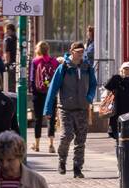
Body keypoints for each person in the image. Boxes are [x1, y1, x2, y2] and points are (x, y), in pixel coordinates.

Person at [42, 42, 97, 178]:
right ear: (72, 51)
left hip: (82, 108)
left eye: (82, 51)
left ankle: (77, 168)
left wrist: (89, 97)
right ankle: (62, 160)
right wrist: (48, 109)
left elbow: (93, 84)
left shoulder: (87, 67)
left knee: (81, 139)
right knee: (67, 135)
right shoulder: (64, 67)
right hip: (66, 108)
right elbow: (53, 88)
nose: (80, 54)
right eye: (78, 51)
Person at [102, 62, 129, 140]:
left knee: (126, 138)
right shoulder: (116, 80)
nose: (126, 71)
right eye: (125, 69)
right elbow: (107, 87)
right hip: (115, 114)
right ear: (121, 70)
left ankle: (122, 151)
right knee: (117, 137)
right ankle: (119, 151)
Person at [28, 42, 59, 153]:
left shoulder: (35, 61)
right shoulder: (54, 61)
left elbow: (32, 79)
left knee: (38, 119)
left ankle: (37, 145)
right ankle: (51, 145)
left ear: (38, 50)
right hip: (51, 93)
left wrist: (32, 91)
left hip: (38, 93)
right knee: (51, 118)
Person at [3, 24, 16, 92]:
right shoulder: (16, 38)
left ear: (8, 30)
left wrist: (7, 63)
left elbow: (7, 52)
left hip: (10, 64)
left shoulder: (7, 40)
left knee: (9, 83)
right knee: (14, 82)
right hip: (16, 63)